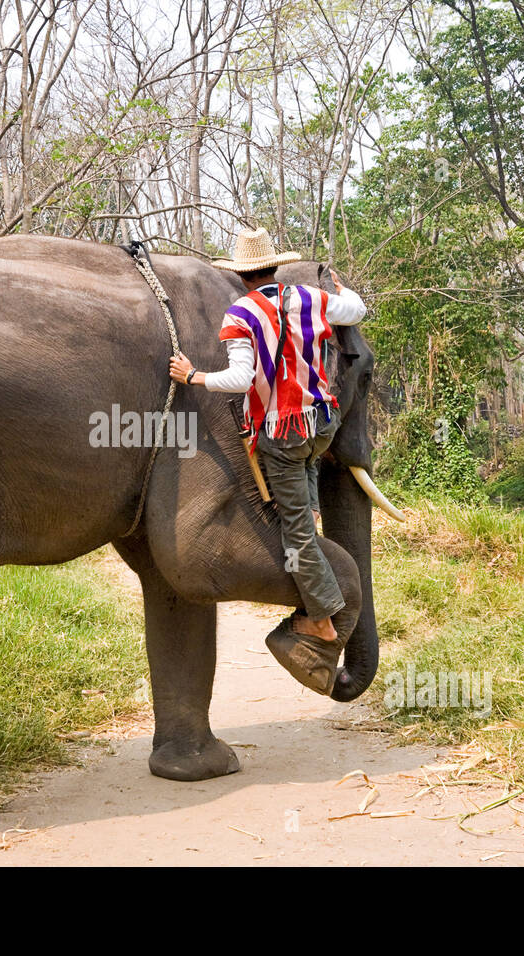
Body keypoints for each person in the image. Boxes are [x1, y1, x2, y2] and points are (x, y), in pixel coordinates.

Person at [169, 227, 367, 695]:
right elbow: (356, 310)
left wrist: (194, 375)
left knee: (296, 530)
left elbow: (240, 378)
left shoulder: (241, 312)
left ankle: (320, 619)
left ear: (241, 275)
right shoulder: (309, 298)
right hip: (322, 425)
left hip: (281, 434)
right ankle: (310, 503)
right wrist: (341, 291)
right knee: (307, 469)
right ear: (276, 268)